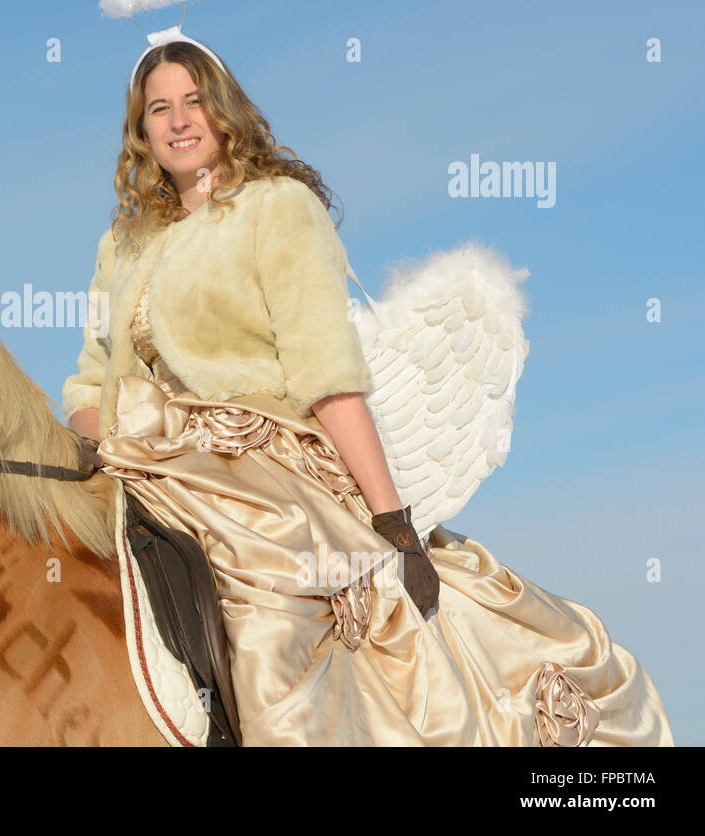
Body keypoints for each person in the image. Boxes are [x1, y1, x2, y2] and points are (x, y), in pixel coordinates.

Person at [62, 37, 674, 746]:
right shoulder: (126, 242)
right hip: (137, 453)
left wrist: (392, 524)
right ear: (140, 132)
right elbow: (91, 371)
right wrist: (93, 452)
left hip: (256, 461)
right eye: (157, 109)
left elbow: (327, 372)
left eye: (192, 101)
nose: (177, 121)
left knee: (270, 605)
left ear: (223, 111)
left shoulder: (277, 209)